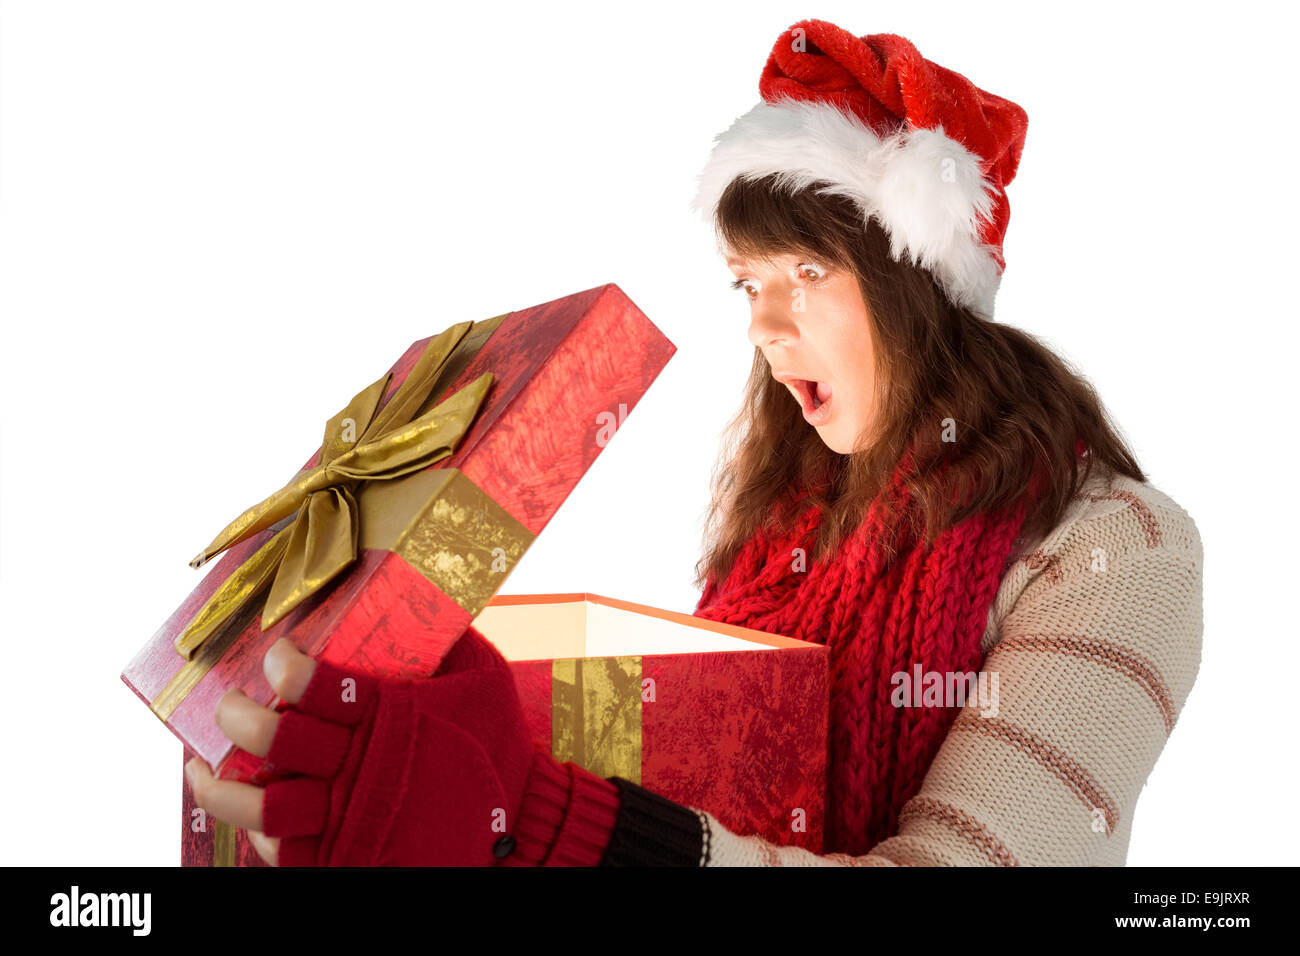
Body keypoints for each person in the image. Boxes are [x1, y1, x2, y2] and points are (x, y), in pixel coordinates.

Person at [183, 19, 1204, 866]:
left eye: (803, 273)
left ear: (918, 283)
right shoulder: (784, 526)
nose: (763, 327)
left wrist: (537, 819)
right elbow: (704, 781)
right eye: (746, 284)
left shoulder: (1119, 548)